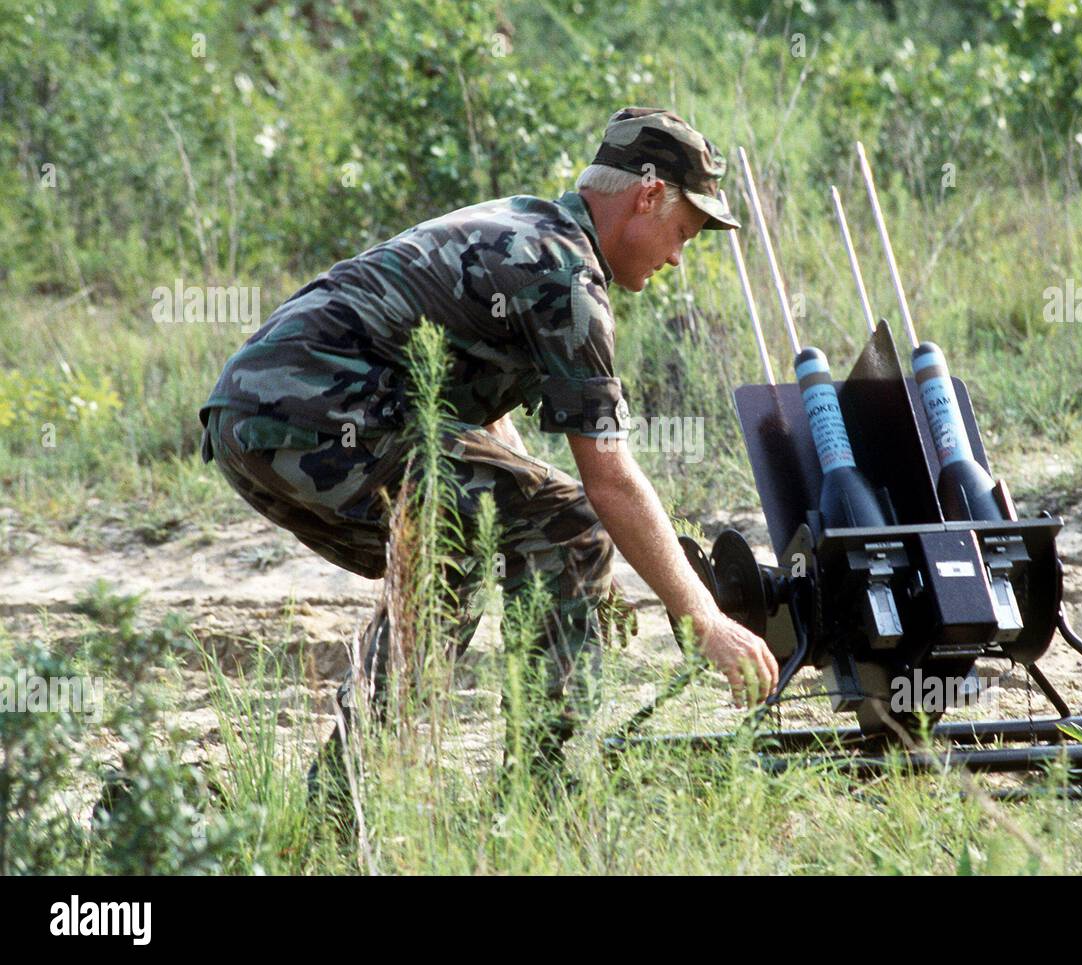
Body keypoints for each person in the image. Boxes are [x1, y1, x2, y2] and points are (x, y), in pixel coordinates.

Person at [198, 107, 779, 788]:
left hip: (254, 421)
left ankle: (341, 796)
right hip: (315, 414)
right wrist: (703, 618)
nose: (678, 256)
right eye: (682, 231)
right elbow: (609, 483)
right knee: (570, 527)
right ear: (648, 196)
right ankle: (545, 786)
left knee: (459, 547)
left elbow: (482, 434)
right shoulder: (566, 277)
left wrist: (584, 576)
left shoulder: (528, 229)